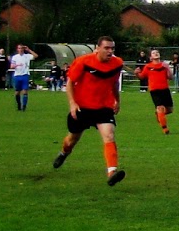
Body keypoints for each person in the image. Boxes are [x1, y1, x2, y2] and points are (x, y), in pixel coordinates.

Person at [53, 36, 129, 186]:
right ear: (98, 48)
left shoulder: (117, 63)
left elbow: (114, 83)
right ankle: (64, 152)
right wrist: (72, 103)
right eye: (107, 48)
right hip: (83, 107)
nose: (110, 51)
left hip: (104, 107)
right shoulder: (83, 62)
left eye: (112, 48)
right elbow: (70, 83)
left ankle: (112, 172)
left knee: (109, 135)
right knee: (72, 140)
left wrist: (117, 101)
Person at [136, 48, 174, 134]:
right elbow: (142, 77)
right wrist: (136, 73)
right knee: (160, 107)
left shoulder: (164, 65)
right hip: (154, 90)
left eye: (157, 52)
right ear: (151, 57)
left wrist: (168, 68)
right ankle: (165, 128)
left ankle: (159, 114)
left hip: (165, 89)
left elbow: (170, 77)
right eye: (153, 53)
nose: (156, 54)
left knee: (170, 110)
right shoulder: (148, 67)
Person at [9, 43, 35, 111]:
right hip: (17, 76)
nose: (20, 49)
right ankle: (19, 104)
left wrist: (29, 50)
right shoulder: (15, 57)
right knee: (17, 92)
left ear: (23, 49)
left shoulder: (27, 56)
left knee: (25, 91)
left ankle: (24, 106)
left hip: (25, 75)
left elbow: (36, 56)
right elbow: (11, 66)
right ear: (17, 49)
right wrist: (17, 65)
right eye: (19, 48)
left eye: (21, 48)